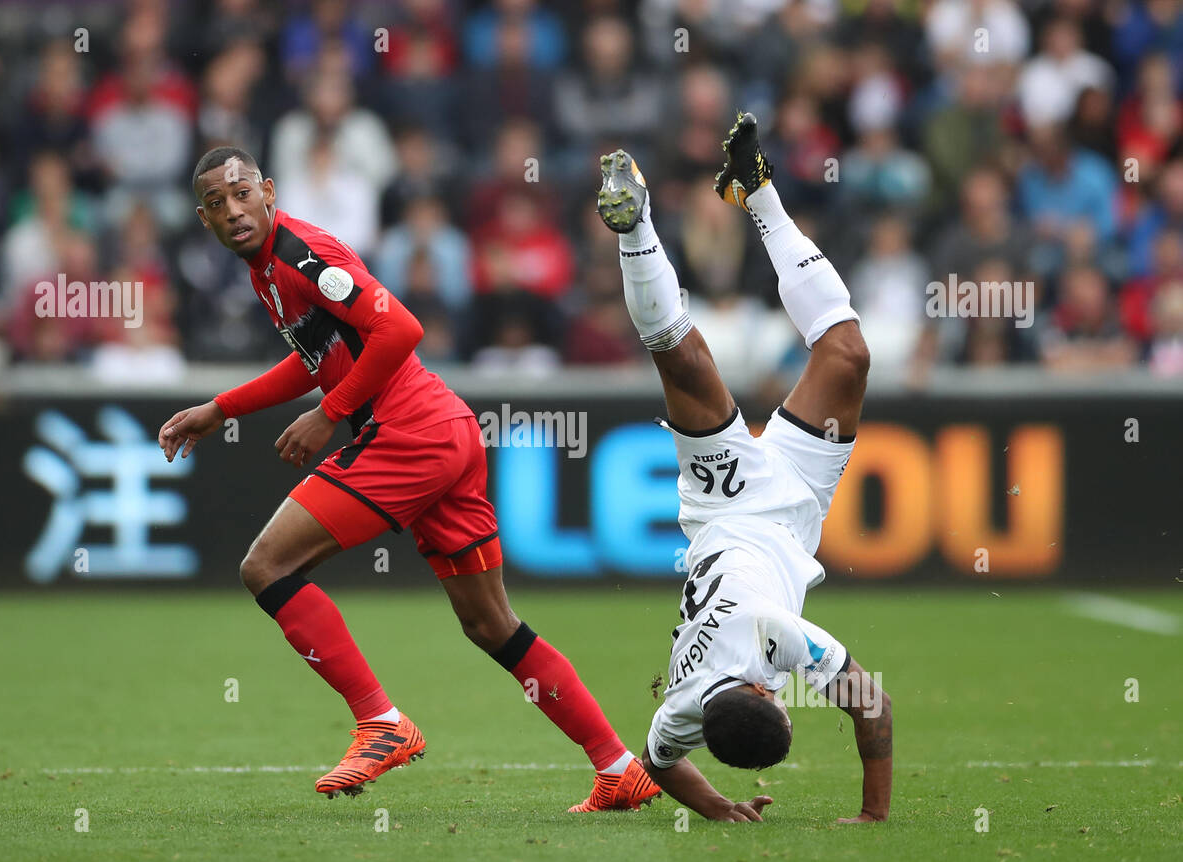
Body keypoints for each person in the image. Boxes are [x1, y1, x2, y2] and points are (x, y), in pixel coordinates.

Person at [157, 147, 660, 812]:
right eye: (218, 205)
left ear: (269, 191)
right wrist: (220, 409)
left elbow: (401, 327)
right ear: (205, 220)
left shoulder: (300, 254)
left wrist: (328, 415)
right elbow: (318, 358)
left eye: (242, 193)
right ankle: (619, 766)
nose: (233, 210)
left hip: (408, 435)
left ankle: (380, 722)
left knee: (266, 566)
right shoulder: (268, 270)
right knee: (491, 626)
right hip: (444, 432)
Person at [597, 114, 892, 822]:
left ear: (765, 695)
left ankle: (635, 228)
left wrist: (874, 818)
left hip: (725, 507)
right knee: (847, 354)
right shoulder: (678, 710)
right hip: (795, 508)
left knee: (684, 359)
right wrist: (719, 808)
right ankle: (753, 192)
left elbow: (873, 709)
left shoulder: (774, 635)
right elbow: (658, 762)